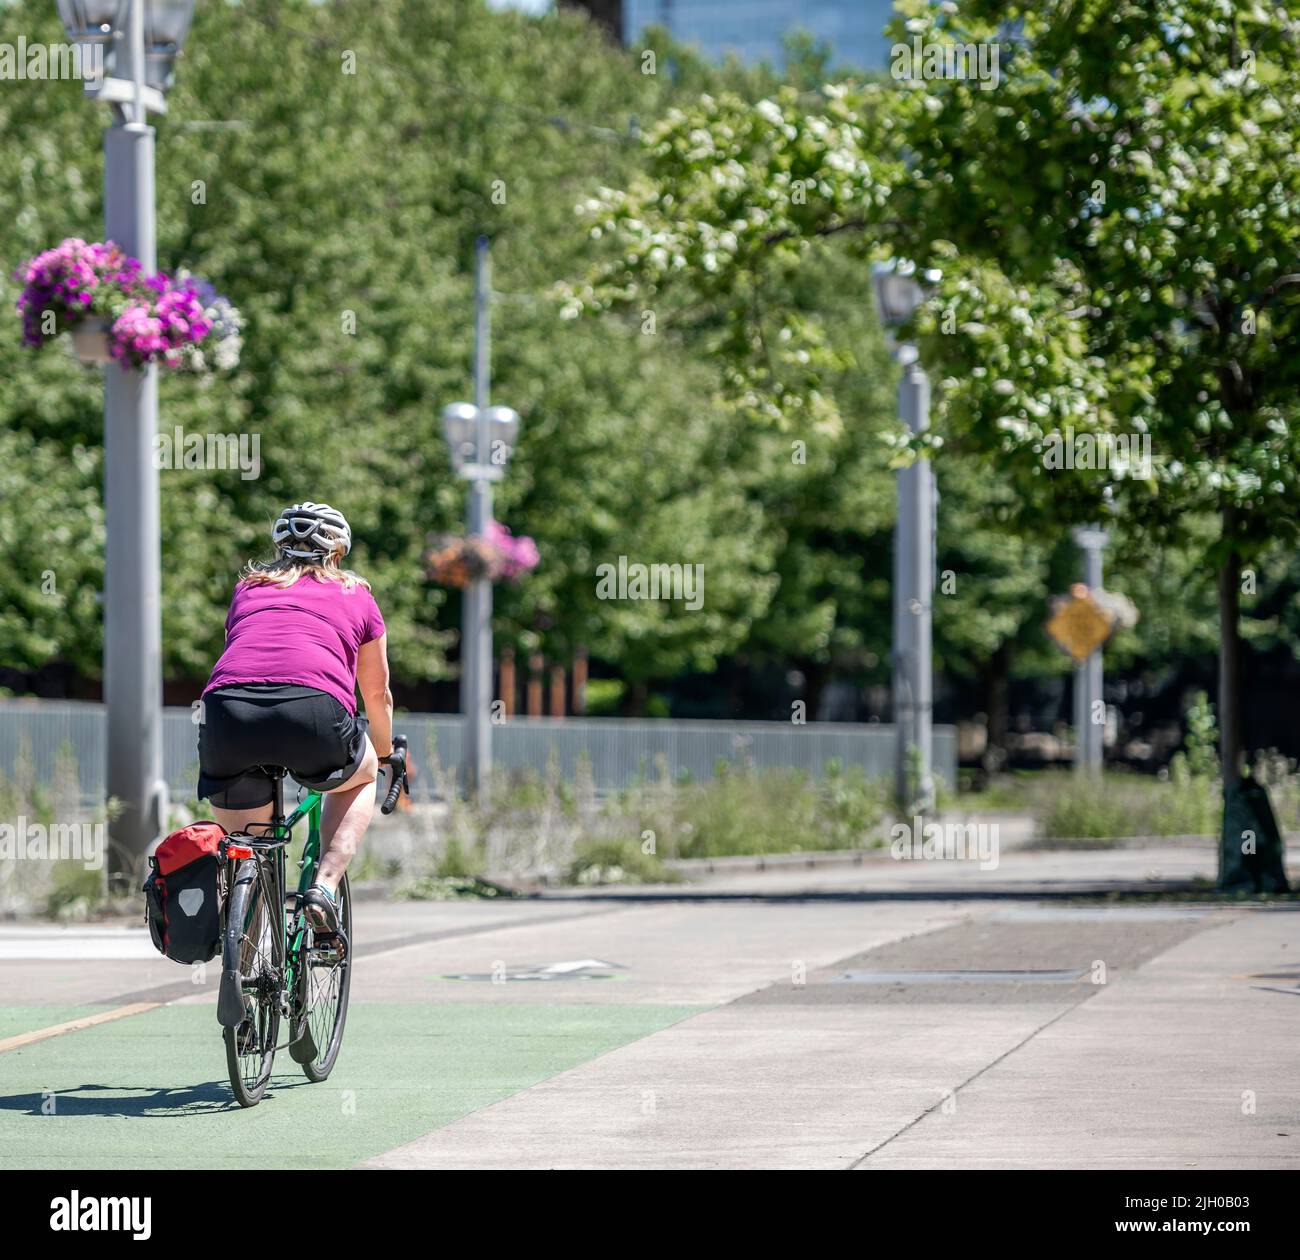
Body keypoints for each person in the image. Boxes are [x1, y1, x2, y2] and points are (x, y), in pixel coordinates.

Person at [195, 502, 392, 933]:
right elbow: (375, 692)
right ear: (338, 553)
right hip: (313, 712)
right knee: (363, 772)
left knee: (248, 846)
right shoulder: (355, 595)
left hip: (228, 714)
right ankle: (323, 886)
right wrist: (383, 751)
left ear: (280, 544)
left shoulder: (249, 587)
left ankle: (243, 962)